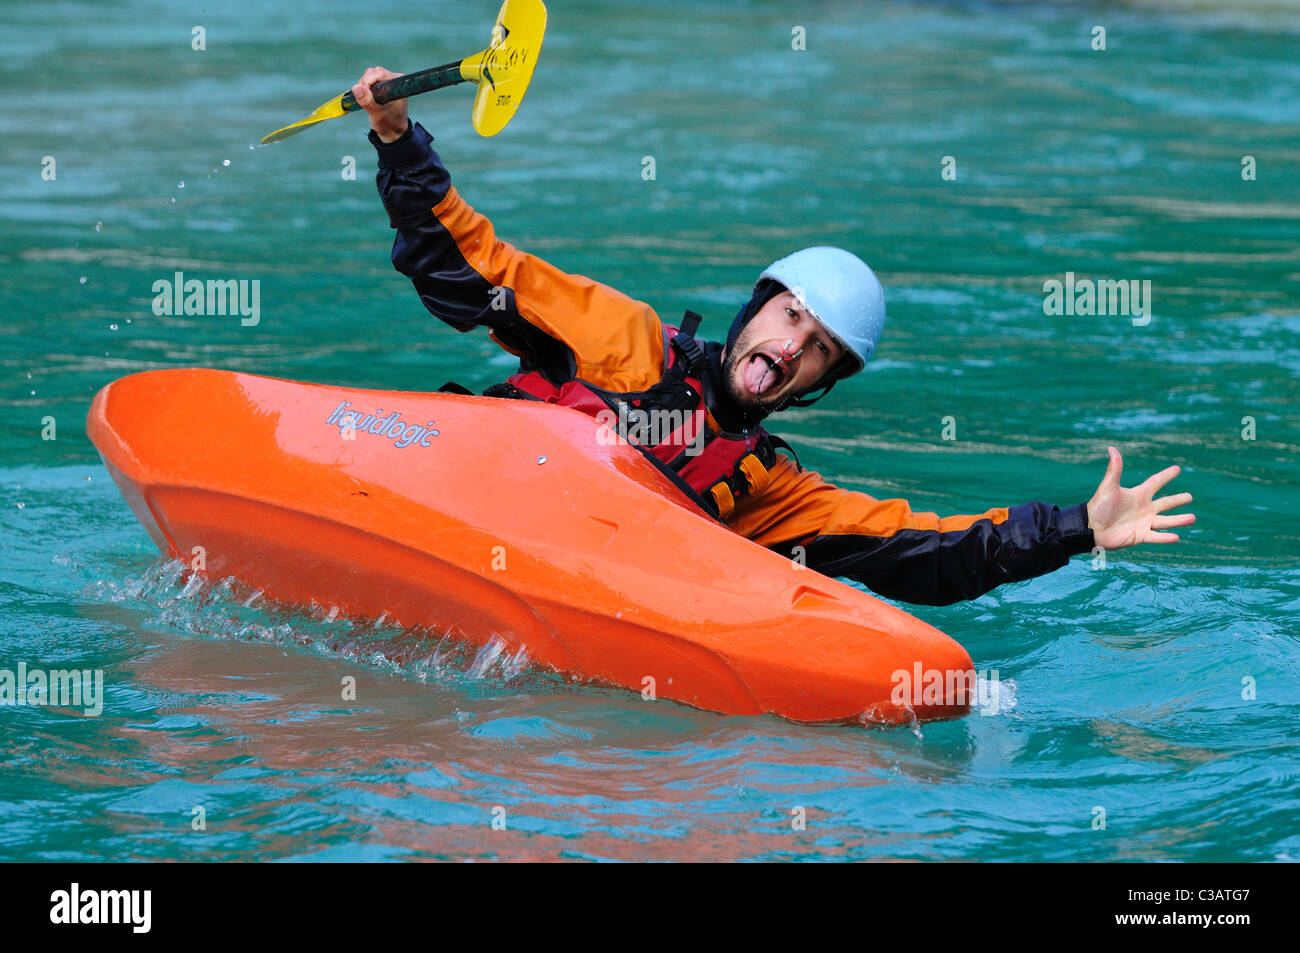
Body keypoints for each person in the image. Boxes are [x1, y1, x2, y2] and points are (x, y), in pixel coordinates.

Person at [351, 67, 1196, 606]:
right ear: (753, 312)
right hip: (437, 507)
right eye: (791, 317)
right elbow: (467, 268)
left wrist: (1078, 527)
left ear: (821, 380)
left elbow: (929, 548)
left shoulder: (771, 492)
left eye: (819, 347)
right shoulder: (626, 340)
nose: (792, 347)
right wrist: (397, 140)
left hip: (550, 591)